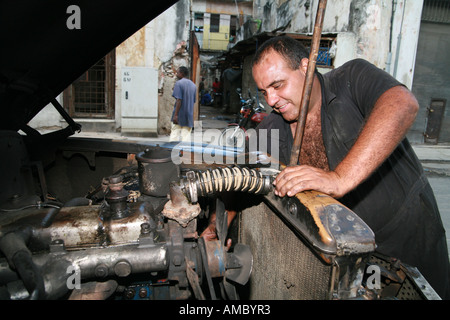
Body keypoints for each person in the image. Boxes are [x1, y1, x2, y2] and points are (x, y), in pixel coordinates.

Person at [202, 36, 450, 299]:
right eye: (264, 91)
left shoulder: (352, 79)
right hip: (349, 260)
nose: (271, 100)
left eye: (278, 85)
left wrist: (338, 178)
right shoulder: (271, 129)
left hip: (410, 243)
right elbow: (240, 183)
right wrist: (215, 229)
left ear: (306, 68)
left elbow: (402, 104)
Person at [169, 66, 196, 142]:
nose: (176, 74)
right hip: (189, 116)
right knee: (186, 138)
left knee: (174, 135)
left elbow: (179, 100)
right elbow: (193, 101)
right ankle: (185, 153)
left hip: (179, 114)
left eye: (177, 72)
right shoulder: (193, 86)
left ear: (182, 73)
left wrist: (176, 115)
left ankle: (171, 152)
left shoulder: (179, 84)